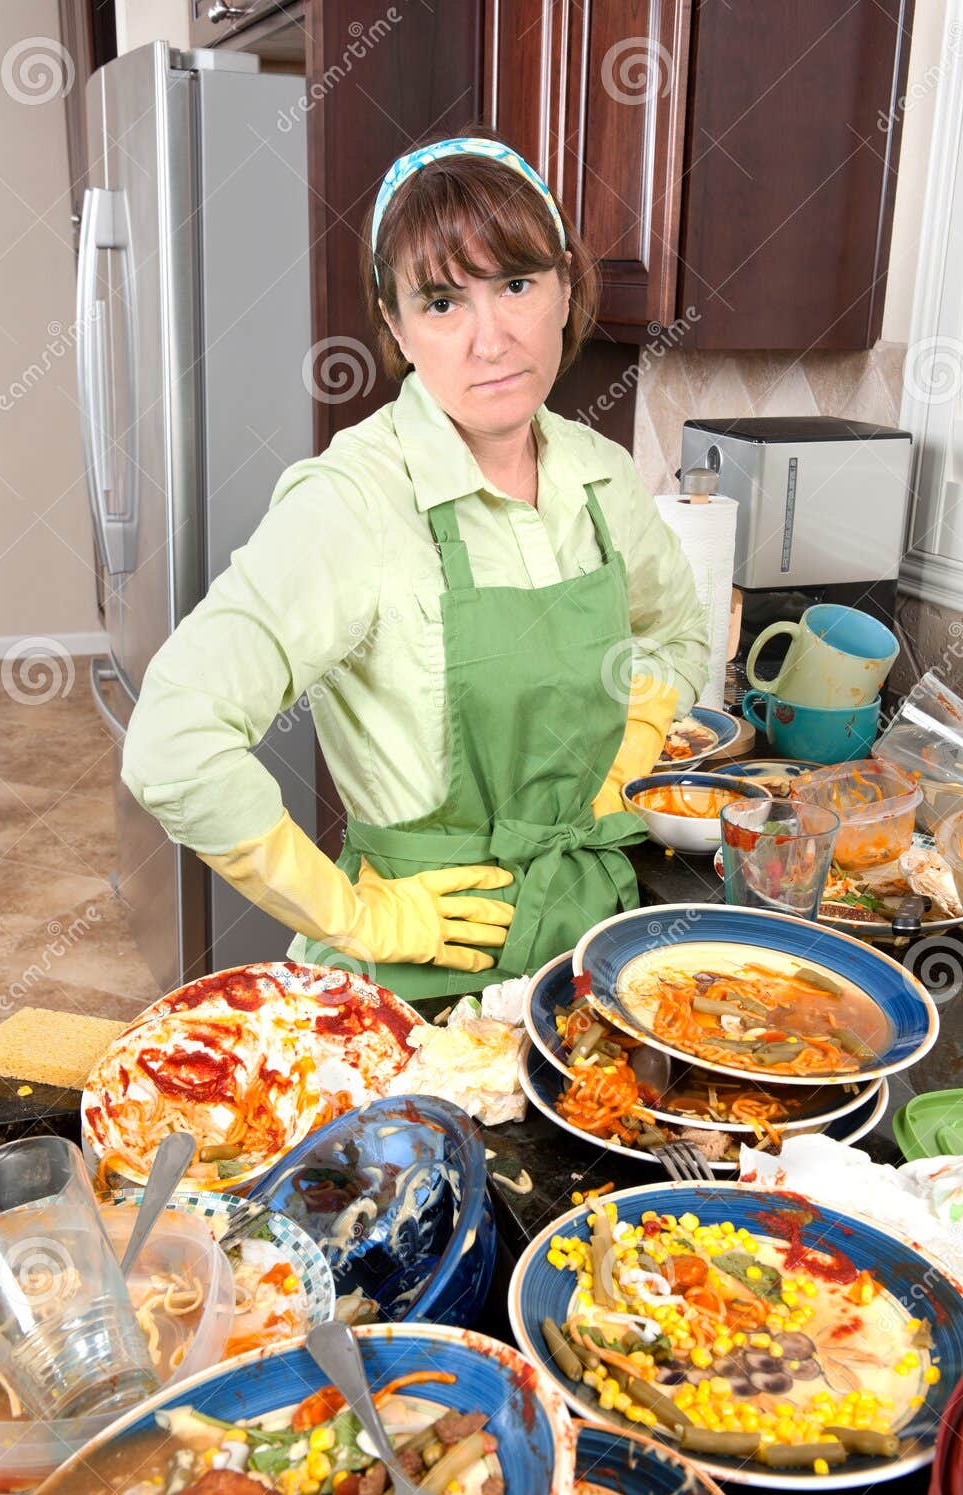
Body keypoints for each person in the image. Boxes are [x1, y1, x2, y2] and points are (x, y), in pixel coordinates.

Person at [122, 135, 709, 1003]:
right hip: (414, 985)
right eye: (441, 302)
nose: (490, 340)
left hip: (592, 945)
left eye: (516, 285)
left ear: (564, 289)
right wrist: (358, 915)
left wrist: (635, 735)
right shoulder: (349, 504)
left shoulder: (600, 477)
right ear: (396, 327)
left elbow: (675, 631)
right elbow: (172, 743)